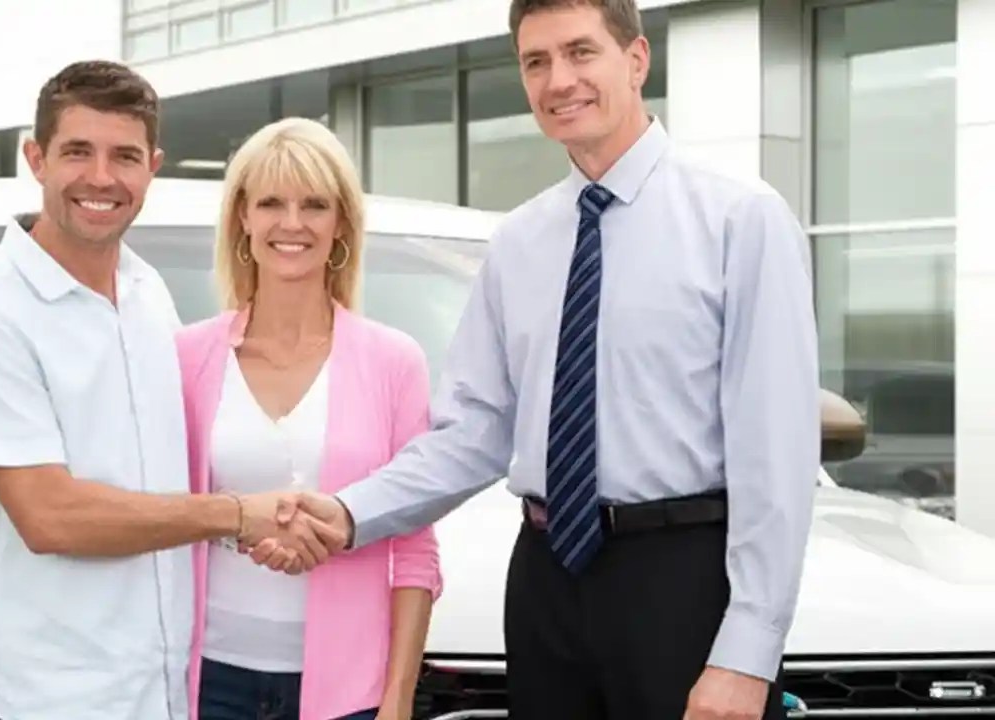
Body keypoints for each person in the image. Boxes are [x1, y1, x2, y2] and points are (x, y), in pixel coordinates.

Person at [260, 0, 821, 718]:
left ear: (637, 59)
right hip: (546, 581)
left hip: (682, 579)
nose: (559, 80)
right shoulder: (520, 242)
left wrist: (748, 653)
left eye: (581, 52)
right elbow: (474, 432)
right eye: (536, 61)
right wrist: (347, 511)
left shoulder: (741, 219)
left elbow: (774, 450)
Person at [0, 61, 332, 720]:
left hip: (164, 696)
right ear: (36, 157)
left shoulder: (146, 293)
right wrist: (235, 514)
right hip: (46, 704)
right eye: (78, 152)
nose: (102, 178)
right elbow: (49, 516)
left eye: (125, 156)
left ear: (154, 166)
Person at [174, 116, 443, 720]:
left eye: (314, 205)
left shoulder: (394, 361)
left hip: (350, 696)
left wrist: (397, 700)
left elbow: (416, 548)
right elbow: (164, 516)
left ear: (342, 221)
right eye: (270, 202)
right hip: (209, 684)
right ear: (243, 217)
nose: (291, 224)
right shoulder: (186, 357)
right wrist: (240, 524)